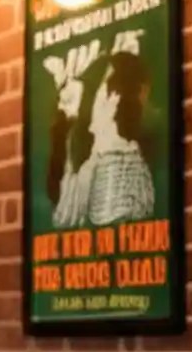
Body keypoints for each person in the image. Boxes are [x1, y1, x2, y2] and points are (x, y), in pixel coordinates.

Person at [48, 51, 155, 228]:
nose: (91, 103)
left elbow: (67, 219)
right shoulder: (94, 164)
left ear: (114, 99)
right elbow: (63, 217)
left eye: (98, 94)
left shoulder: (117, 173)